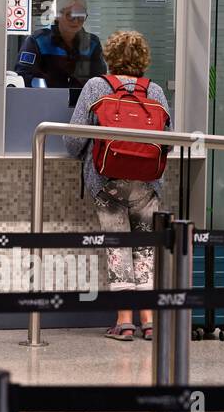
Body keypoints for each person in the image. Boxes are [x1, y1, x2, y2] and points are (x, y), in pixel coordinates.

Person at [65, 30, 171, 341]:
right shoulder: (157, 91)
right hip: (147, 184)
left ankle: (124, 321)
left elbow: (73, 142)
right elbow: (168, 141)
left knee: (118, 248)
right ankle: (149, 320)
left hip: (106, 180)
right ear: (144, 59)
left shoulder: (97, 87)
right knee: (145, 249)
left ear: (110, 57)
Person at [15, 0, 106, 89]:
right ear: (58, 15)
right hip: (45, 100)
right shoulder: (37, 41)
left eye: (81, 15)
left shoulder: (92, 43)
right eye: (70, 15)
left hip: (82, 102)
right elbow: (23, 77)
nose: (76, 21)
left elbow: (100, 79)